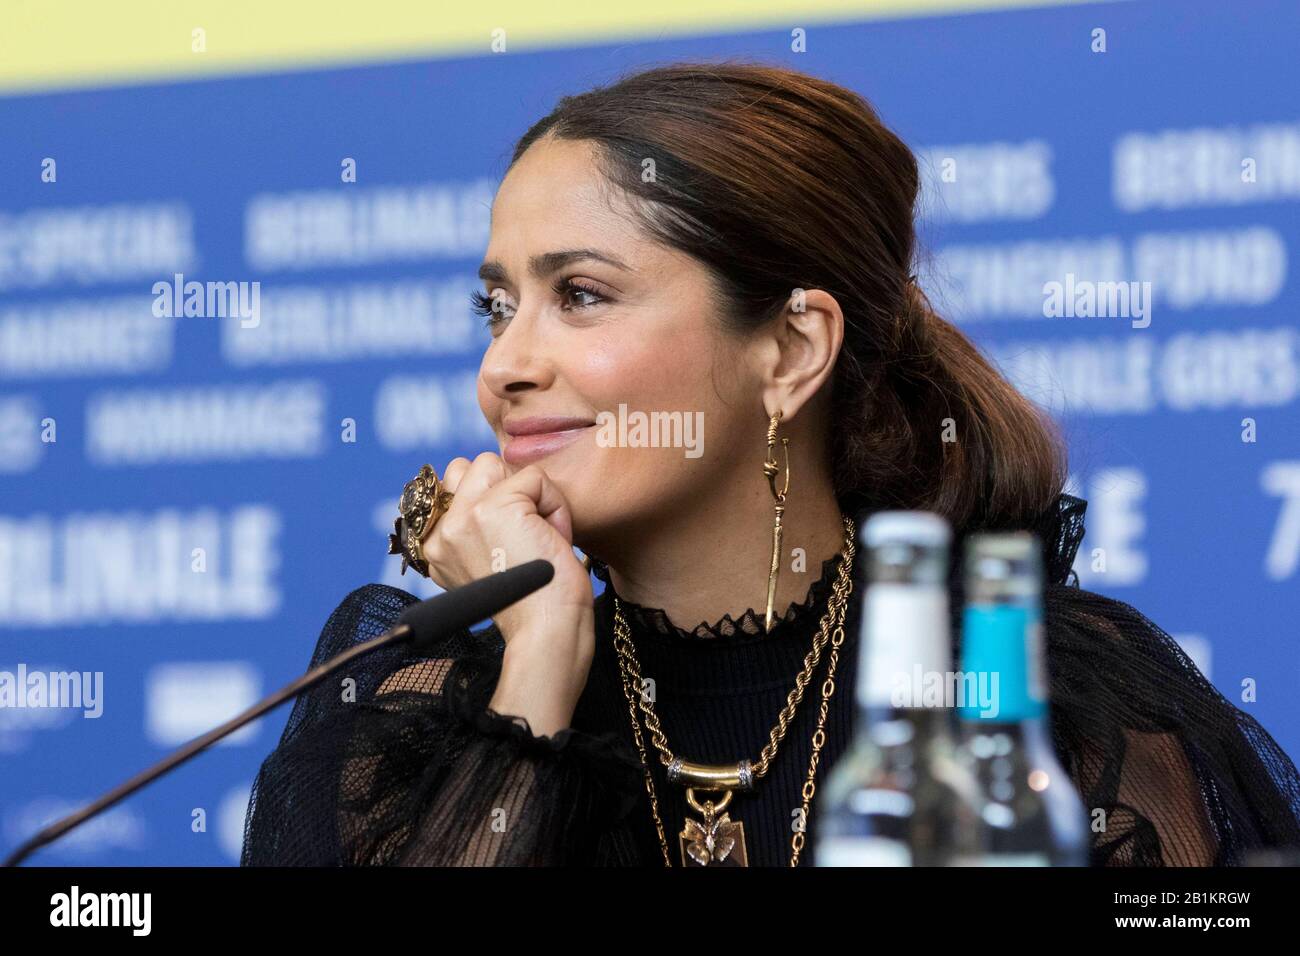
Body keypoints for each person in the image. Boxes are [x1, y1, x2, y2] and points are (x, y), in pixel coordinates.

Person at [240, 60, 1300, 867]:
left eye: (581, 294)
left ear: (790, 349)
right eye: (496, 306)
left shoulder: (1038, 701)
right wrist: (537, 667)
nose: (503, 366)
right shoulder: (421, 721)